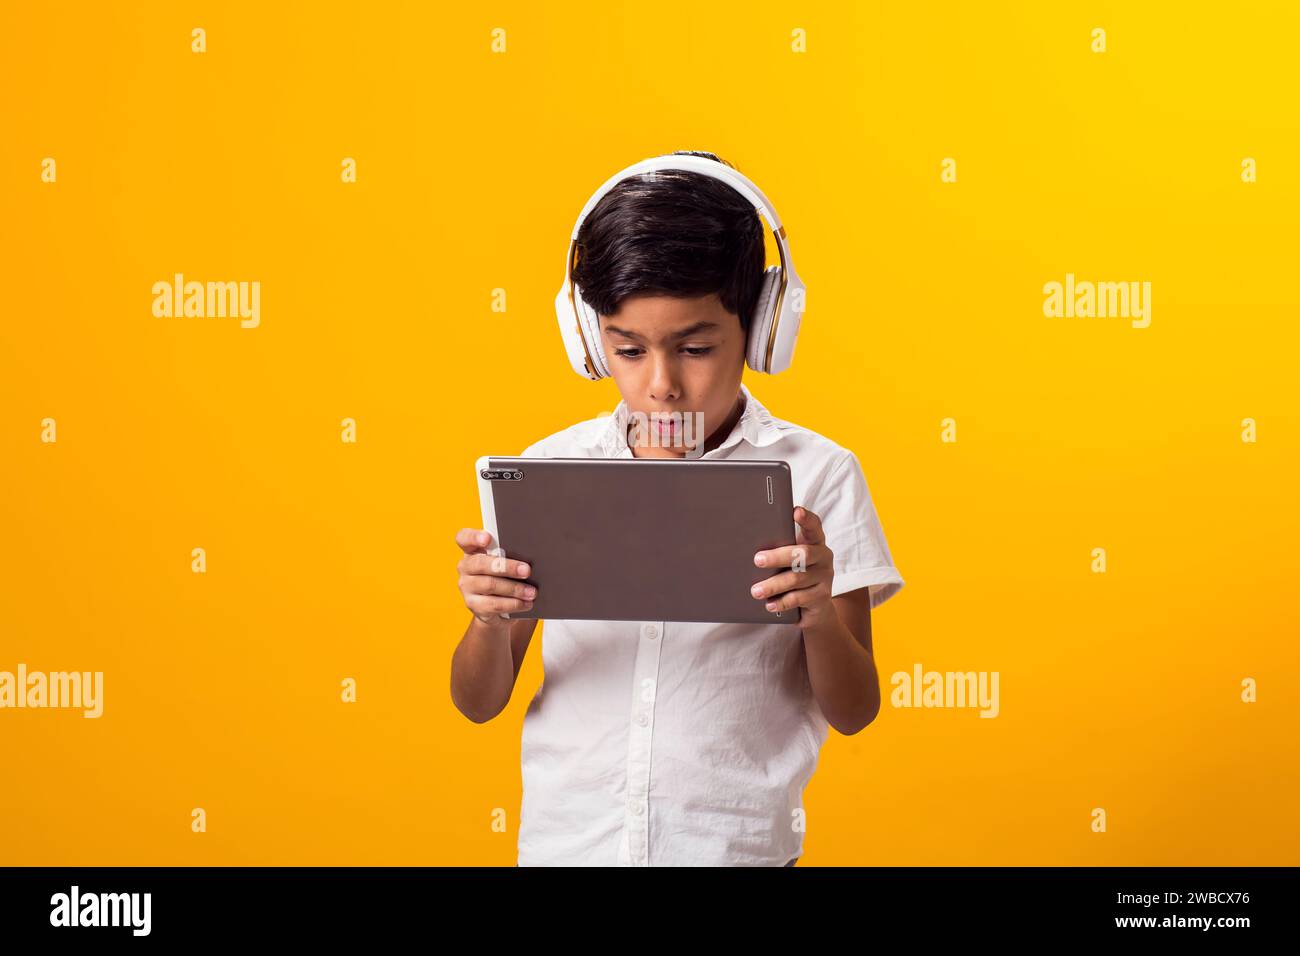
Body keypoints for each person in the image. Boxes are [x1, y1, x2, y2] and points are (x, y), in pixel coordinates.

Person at [451, 152, 904, 866]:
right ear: (587, 338)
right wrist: (487, 620)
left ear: (762, 330)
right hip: (568, 849)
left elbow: (855, 710)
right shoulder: (552, 473)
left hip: (735, 849)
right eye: (628, 350)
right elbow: (478, 702)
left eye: (695, 348)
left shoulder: (819, 474)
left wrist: (818, 611)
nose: (661, 385)